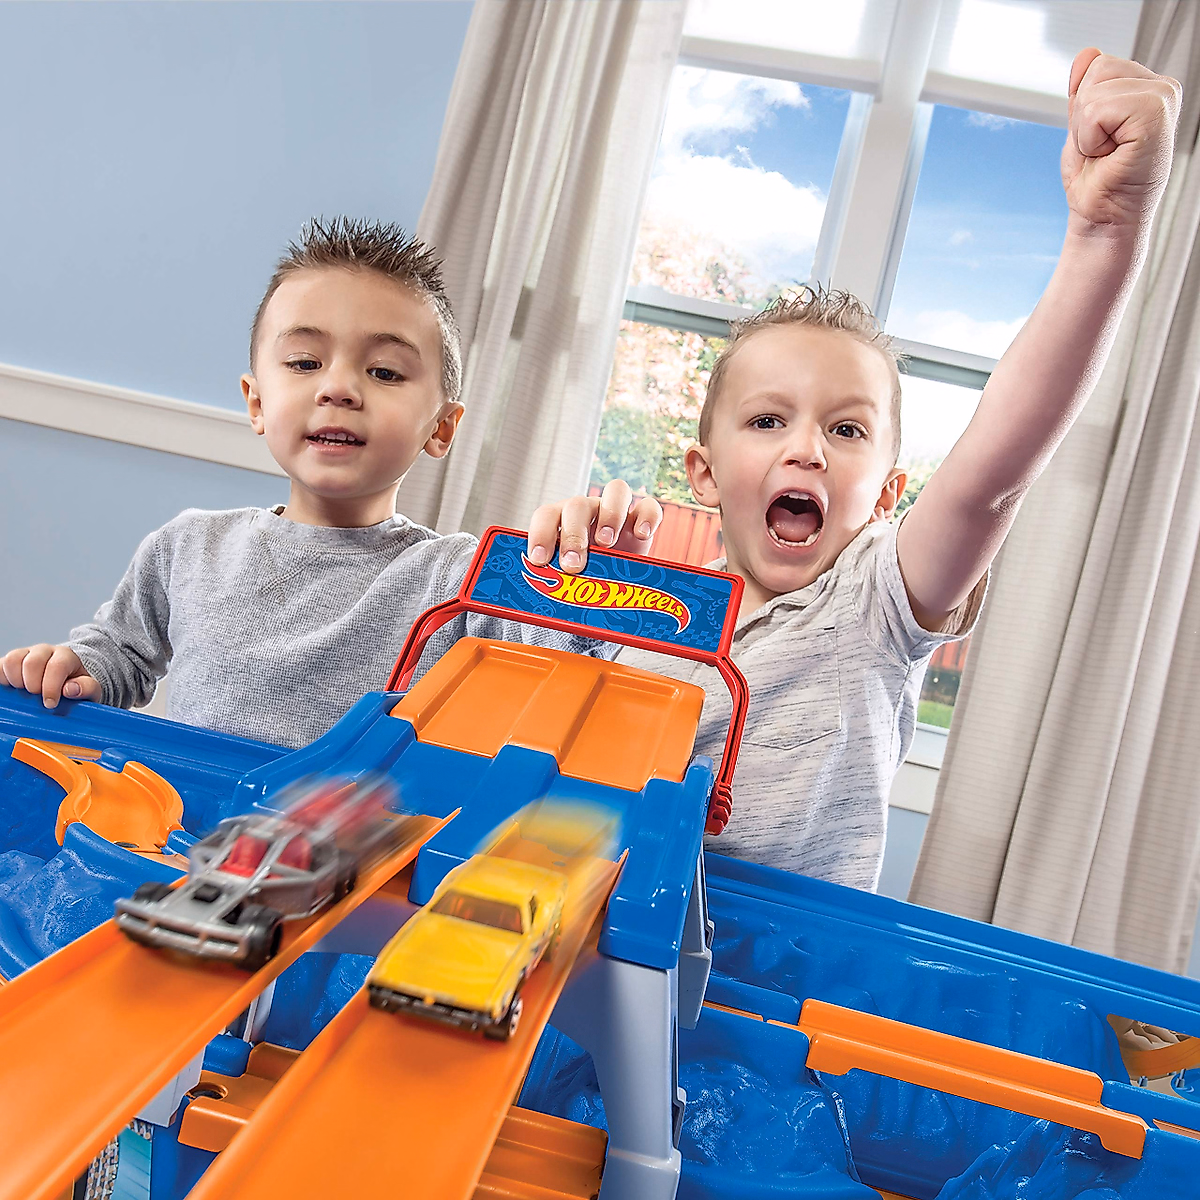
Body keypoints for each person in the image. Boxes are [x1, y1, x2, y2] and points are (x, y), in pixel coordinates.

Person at [532, 49, 1181, 890]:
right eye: (768, 421)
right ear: (703, 473)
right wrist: (573, 588)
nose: (807, 448)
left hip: (789, 960)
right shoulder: (639, 616)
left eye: (845, 429)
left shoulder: (872, 602)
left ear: (886, 496)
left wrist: (1105, 234)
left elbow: (990, 476)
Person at [1, 217, 661, 749]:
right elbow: (116, 655)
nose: (339, 387)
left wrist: (601, 576)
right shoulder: (188, 546)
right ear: (256, 402)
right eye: (304, 362)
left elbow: (562, 654)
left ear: (441, 428)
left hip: (357, 865)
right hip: (175, 842)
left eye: (385, 372)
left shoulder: (459, 578)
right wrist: (73, 669)